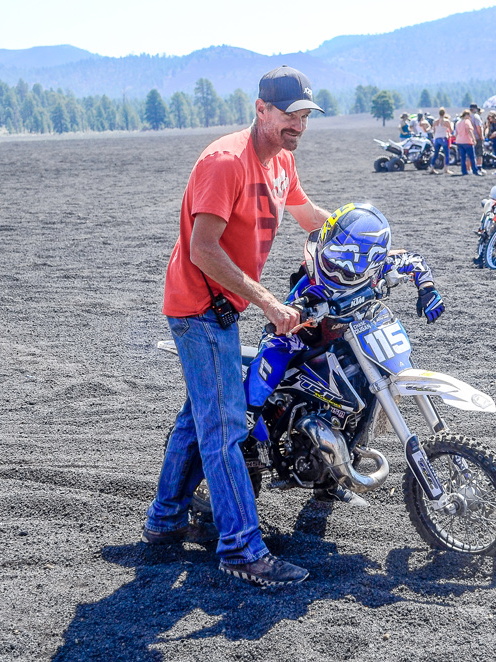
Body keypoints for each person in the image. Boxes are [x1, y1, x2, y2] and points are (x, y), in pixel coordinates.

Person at [144, 65, 332, 587]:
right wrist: (270, 301)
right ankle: (240, 549)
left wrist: (366, 239)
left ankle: (164, 522)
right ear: (261, 110)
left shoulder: (282, 162)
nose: (298, 125)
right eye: (290, 114)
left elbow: (308, 214)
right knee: (225, 426)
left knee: (199, 416)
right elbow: (202, 250)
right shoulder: (225, 162)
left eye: (305, 116)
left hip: (226, 308)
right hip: (199, 309)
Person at [242, 203, 445, 506]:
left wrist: (427, 289)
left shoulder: (376, 268)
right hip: (300, 337)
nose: (342, 266)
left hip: (346, 339)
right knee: (271, 356)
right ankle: (245, 434)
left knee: (360, 401)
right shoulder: (312, 281)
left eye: (350, 260)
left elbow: (412, 260)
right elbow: (288, 313)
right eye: (336, 256)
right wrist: (296, 312)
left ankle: (330, 476)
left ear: (370, 258)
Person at [455, 109, 481, 175]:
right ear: (467, 115)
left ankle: (464, 171)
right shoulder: (467, 122)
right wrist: (473, 139)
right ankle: (475, 170)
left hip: (459, 141)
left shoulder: (458, 122)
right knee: (472, 157)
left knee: (463, 158)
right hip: (467, 141)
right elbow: (470, 131)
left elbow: (456, 133)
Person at [428, 107, 452, 174]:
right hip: (443, 138)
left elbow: (434, 130)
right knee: (446, 154)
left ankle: (432, 168)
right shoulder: (446, 121)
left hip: (437, 138)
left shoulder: (435, 121)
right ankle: (446, 169)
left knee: (435, 154)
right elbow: (450, 130)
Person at [469, 104, 485, 173]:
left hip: (470, 138)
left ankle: (470, 168)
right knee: (479, 153)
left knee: (471, 154)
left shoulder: (468, 117)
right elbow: (479, 128)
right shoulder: (476, 117)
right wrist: (481, 136)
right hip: (477, 137)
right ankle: (479, 167)